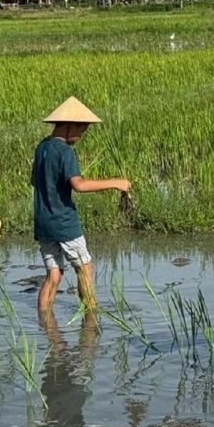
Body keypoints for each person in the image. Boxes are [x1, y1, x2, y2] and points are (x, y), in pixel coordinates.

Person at [32, 96, 131, 313]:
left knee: (54, 275)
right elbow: (78, 184)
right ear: (70, 125)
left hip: (43, 222)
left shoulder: (42, 148)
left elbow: (36, 182)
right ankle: (91, 317)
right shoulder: (65, 151)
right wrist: (116, 183)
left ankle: (45, 324)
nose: (81, 135)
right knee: (84, 268)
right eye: (82, 130)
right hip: (64, 222)